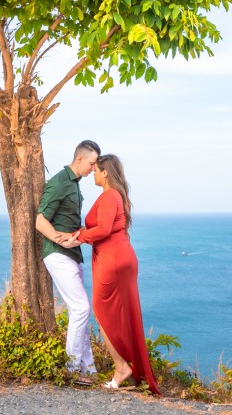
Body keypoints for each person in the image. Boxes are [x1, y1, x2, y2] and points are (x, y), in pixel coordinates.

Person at [73, 154, 160, 395]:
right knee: (123, 315)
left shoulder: (110, 196)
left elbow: (101, 230)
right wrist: (80, 233)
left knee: (102, 314)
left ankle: (122, 368)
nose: (93, 173)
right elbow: (107, 228)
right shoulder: (116, 196)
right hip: (120, 258)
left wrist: (77, 237)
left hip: (112, 261)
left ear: (106, 173)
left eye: (96, 170)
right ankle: (132, 372)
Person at [35, 140, 99, 382]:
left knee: (78, 310)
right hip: (58, 255)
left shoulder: (74, 184)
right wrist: (60, 240)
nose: (94, 168)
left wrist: (80, 235)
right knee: (82, 308)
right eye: (92, 163)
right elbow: (41, 220)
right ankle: (72, 369)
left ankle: (88, 370)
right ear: (80, 158)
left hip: (72, 255)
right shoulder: (60, 182)